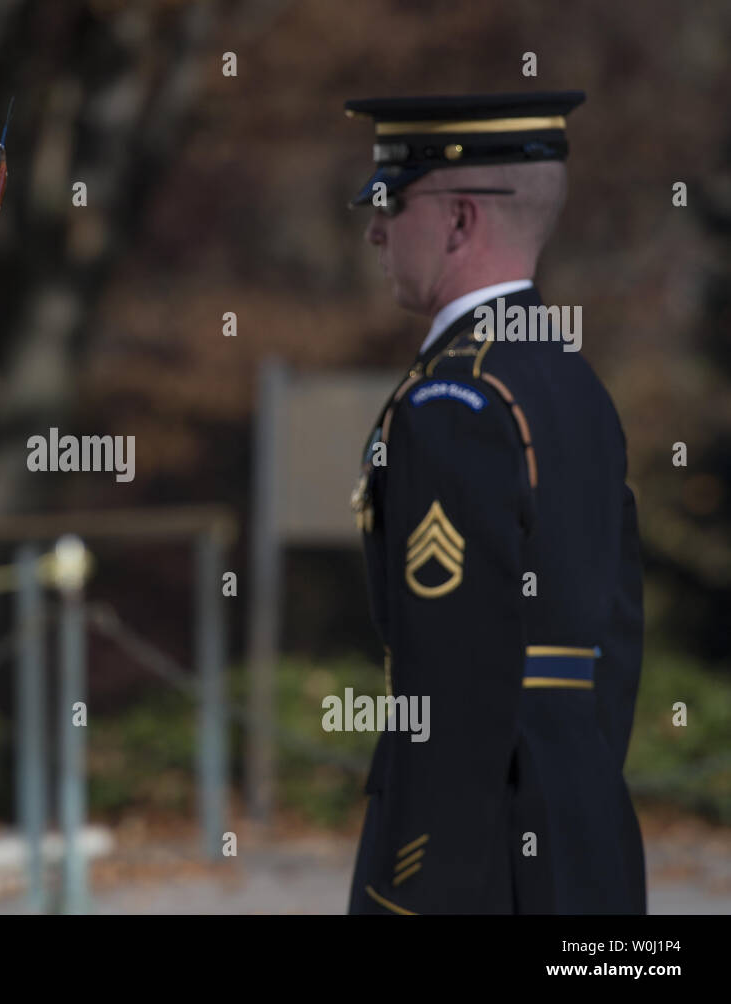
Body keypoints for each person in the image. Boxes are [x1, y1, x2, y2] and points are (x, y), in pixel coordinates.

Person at [341, 93, 645, 914]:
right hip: (586, 834)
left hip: (476, 862)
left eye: (388, 204)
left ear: (457, 220)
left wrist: (414, 881)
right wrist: (572, 783)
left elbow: (452, 671)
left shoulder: (454, 400)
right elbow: (615, 642)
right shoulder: (574, 384)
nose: (374, 230)